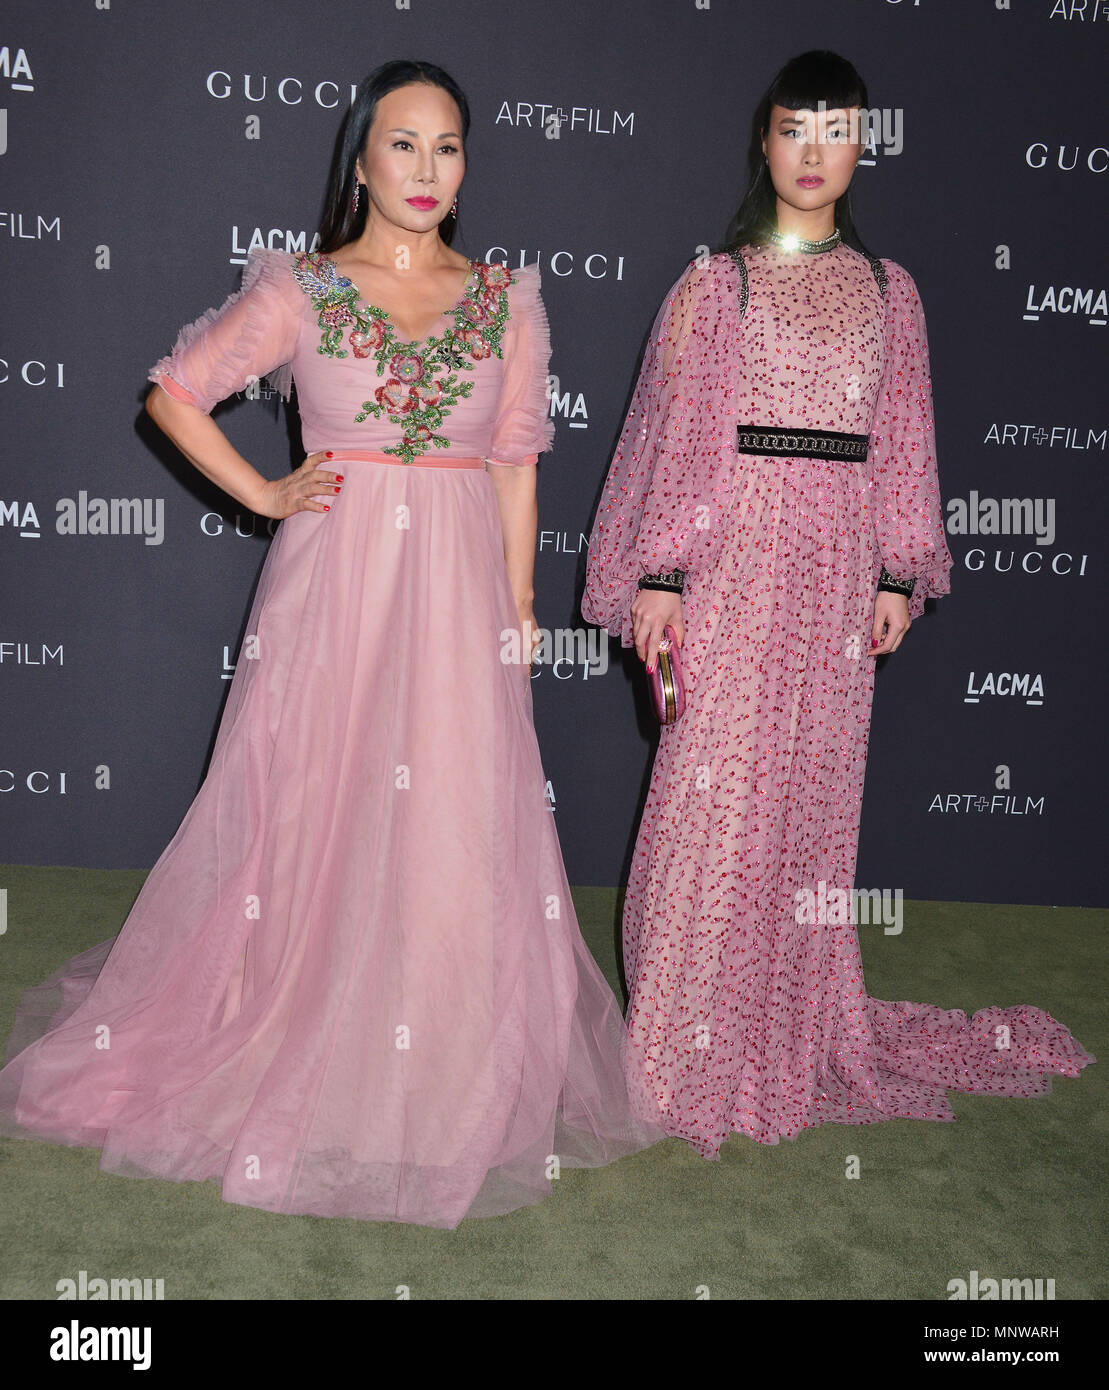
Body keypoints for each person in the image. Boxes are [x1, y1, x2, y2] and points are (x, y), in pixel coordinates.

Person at [0, 59, 664, 1228]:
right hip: (333, 586)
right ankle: (294, 1029)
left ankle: (441, 1051)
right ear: (358, 161)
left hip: (459, 590)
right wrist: (261, 494)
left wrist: (515, 609)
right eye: (401, 145)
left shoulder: (506, 297)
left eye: (447, 146)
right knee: (312, 799)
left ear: (467, 165)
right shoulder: (302, 290)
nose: (425, 169)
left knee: (456, 809)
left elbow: (515, 463)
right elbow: (173, 392)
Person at [581, 50, 1093, 1156]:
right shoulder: (714, 285)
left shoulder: (888, 291)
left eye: (834, 130)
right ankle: (675, 1049)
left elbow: (904, 441)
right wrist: (661, 575)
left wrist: (900, 572)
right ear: (761, 144)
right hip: (731, 560)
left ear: (861, 145)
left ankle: (781, 1033)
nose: (812, 151)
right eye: (791, 129)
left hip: (832, 573)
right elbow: (674, 439)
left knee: (805, 815)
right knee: (704, 801)